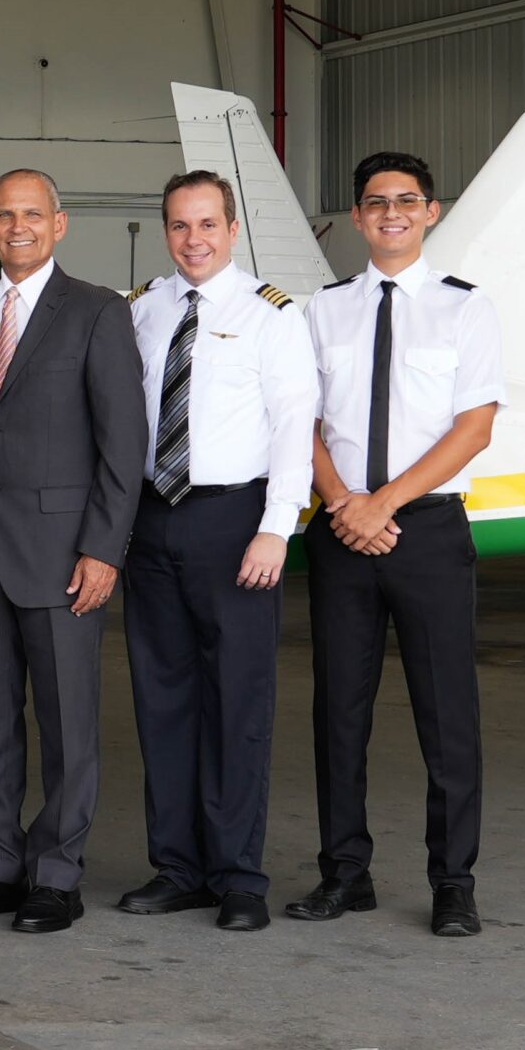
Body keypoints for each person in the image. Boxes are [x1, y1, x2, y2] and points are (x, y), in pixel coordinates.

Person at [0, 169, 146, 934]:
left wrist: (103, 549)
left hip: (62, 558)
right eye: (4, 215)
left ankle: (55, 873)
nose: (17, 226)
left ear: (60, 223)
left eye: (33, 214)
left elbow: (124, 443)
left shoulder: (96, 312)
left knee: (66, 722)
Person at [291, 150, 503, 939]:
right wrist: (344, 502)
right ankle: (344, 873)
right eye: (376, 202)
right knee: (338, 712)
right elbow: (303, 423)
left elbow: (474, 427)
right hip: (342, 530)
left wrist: (384, 502)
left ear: (431, 210)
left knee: (447, 717)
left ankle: (453, 881)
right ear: (357, 216)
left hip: (428, 532)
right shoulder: (325, 308)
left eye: (406, 201)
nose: (391, 213)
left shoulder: (466, 309)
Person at [119, 171, 315, 933]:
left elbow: (295, 422)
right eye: (178, 225)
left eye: (206, 224)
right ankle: (177, 868)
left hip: (235, 523)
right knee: (162, 699)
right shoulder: (141, 309)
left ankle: (238, 875)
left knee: (237, 703)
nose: (193, 239)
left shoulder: (271, 315)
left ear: (232, 229)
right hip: (153, 518)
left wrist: (277, 526)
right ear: (165, 231)